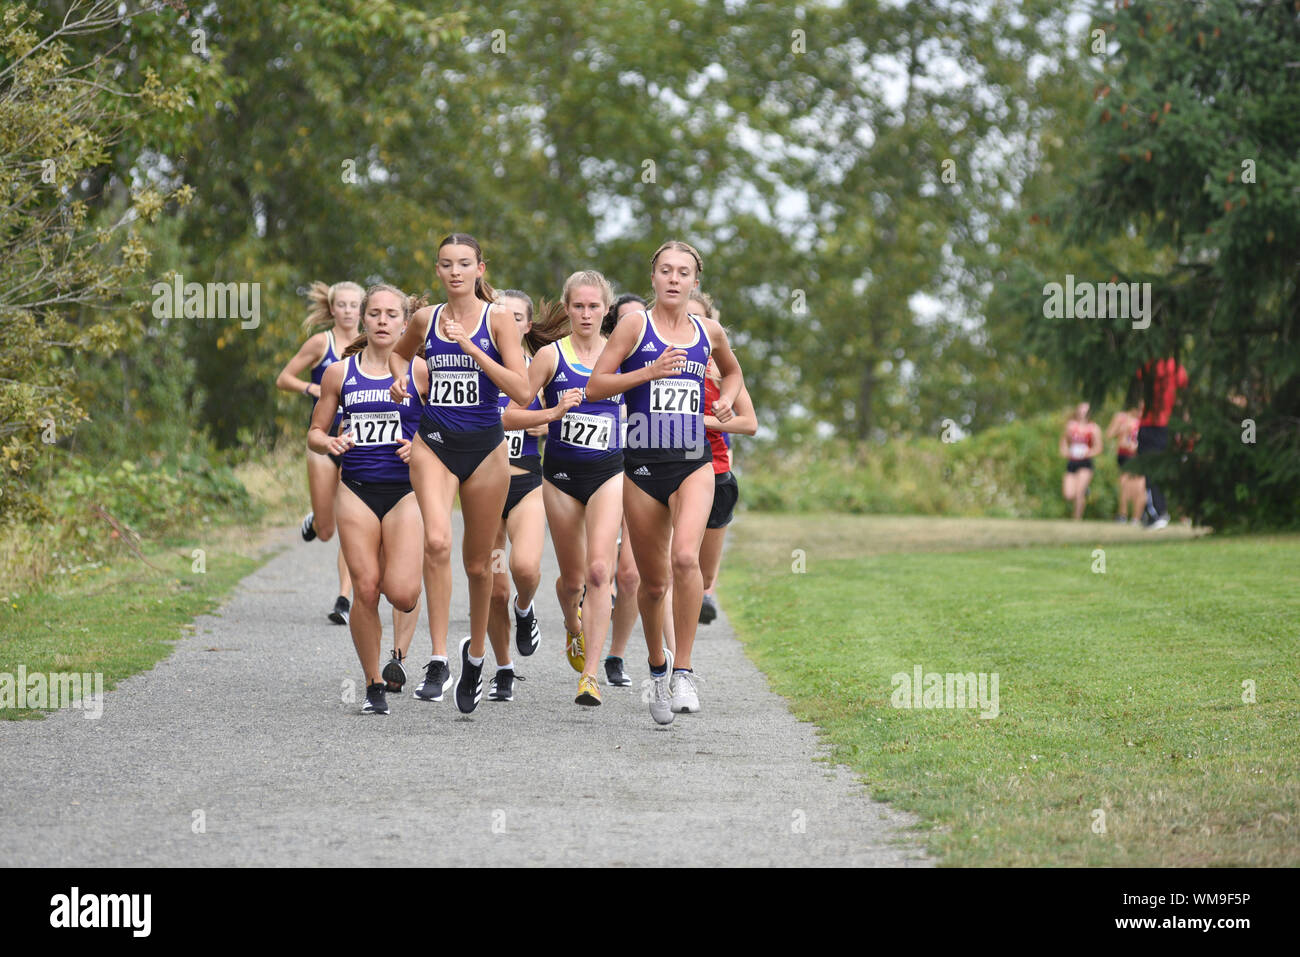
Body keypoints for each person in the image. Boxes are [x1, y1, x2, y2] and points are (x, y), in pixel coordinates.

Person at [587, 241, 744, 725]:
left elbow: (734, 373)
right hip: (642, 463)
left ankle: (684, 670)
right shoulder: (636, 326)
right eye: (666, 271)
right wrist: (649, 373)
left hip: (693, 460)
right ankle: (657, 668)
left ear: (695, 281)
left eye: (684, 272)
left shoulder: (707, 331)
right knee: (652, 586)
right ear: (653, 277)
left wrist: (725, 402)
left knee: (684, 558)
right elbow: (596, 385)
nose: (674, 279)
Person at [388, 233, 531, 714]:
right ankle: (438, 658)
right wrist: (401, 378)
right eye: (446, 264)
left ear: (480, 270)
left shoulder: (499, 320)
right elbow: (399, 353)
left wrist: (471, 347)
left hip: (486, 451)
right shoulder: (425, 320)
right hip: (434, 445)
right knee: (436, 542)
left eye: (464, 264)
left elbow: (523, 391)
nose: (455, 272)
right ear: (437, 270)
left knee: (479, 564)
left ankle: (475, 655)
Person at [308, 284, 425, 715]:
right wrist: (329, 444)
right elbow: (316, 432)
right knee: (367, 588)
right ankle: (374, 680)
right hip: (356, 489)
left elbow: (447, 428)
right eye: (374, 313)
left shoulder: (420, 373)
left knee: (402, 591)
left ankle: (407, 621)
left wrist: (423, 447)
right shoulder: (340, 373)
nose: (381, 321)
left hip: (405, 492)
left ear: (405, 322)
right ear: (363, 320)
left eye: (391, 314)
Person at [520, 272, 625, 706]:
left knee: (601, 572)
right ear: (567, 308)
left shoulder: (623, 354)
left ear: (606, 310)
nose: (585, 314)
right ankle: (571, 624)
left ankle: (591, 676)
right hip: (560, 476)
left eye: (594, 306)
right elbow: (509, 412)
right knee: (573, 580)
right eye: (578, 306)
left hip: (610, 471)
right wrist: (551, 413)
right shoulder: (549, 357)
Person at [275, 281, 361, 625]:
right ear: (332, 307)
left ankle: (344, 598)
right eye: (342, 304)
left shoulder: (370, 345)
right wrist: (312, 386)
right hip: (322, 441)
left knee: (351, 524)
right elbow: (284, 378)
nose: (348, 310)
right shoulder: (319, 343)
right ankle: (316, 518)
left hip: (357, 442)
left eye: (354, 304)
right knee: (327, 530)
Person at [484, 289, 548, 702]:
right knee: (494, 587)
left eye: (517, 316)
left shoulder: (536, 369)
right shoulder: (476, 367)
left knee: (524, 568)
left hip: (526, 483)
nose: (508, 322)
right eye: (500, 315)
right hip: (484, 488)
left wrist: (534, 418)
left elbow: (551, 422)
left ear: (525, 325)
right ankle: (504, 668)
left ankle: (526, 610)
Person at [686, 292, 757, 625]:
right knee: (676, 562)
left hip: (715, 471)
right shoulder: (658, 363)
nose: (691, 324)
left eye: (699, 317)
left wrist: (703, 420)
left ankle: (701, 594)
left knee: (704, 574)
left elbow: (750, 423)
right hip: (666, 468)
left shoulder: (720, 371)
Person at [600, 293, 656, 686]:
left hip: (640, 467)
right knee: (595, 570)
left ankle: (616, 655)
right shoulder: (601, 358)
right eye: (627, 321)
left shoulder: (659, 360)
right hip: (598, 471)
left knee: (631, 574)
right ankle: (584, 611)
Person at [1134, 357, 1189, 529]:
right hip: (1167, 425)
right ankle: (1158, 510)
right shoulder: (1177, 366)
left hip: (1153, 424)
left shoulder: (1148, 364)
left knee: (1151, 470)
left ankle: (1158, 512)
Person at [1059, 402, 1102, 520]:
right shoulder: (1070, 426)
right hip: (1072, 462)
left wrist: (1088, 453)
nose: (1083, 413)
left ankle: (1077, 518)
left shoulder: (1094, 428)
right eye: (1081, 410)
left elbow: (1098, 448)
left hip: (1085, 463)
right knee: (1068, 494)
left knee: (1079, 493)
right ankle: (1085, 490)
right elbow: (1063, 441)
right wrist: (1065, 451)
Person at [1105, 406, 1145, 524]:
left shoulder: (1146, 419)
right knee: (1124, 484)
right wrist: (1121, 429)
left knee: (1139, 487)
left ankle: (1136, 517)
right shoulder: (1121, 417)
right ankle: (1123, 514)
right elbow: (1109, 434)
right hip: (1124, 456)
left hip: (1140, 456)